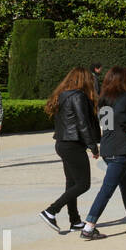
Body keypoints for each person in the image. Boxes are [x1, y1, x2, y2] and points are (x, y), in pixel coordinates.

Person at [80, 66, 126, 241]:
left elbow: (106, 122)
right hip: (120, 149)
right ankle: (89, 227)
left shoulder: (104, 98)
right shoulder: (125, 98)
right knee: (107, 188)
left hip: (108, 147)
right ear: (123, 80)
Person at [38, 66, 100, 233]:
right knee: (83, 184)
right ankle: (51, 211)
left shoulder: (62, 95)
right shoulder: (78, 96)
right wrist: (93, 146)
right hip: (73, 144)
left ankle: (75, 220)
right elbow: (83, 124)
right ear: (84, 80)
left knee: (72, 183)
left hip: (62, 143)